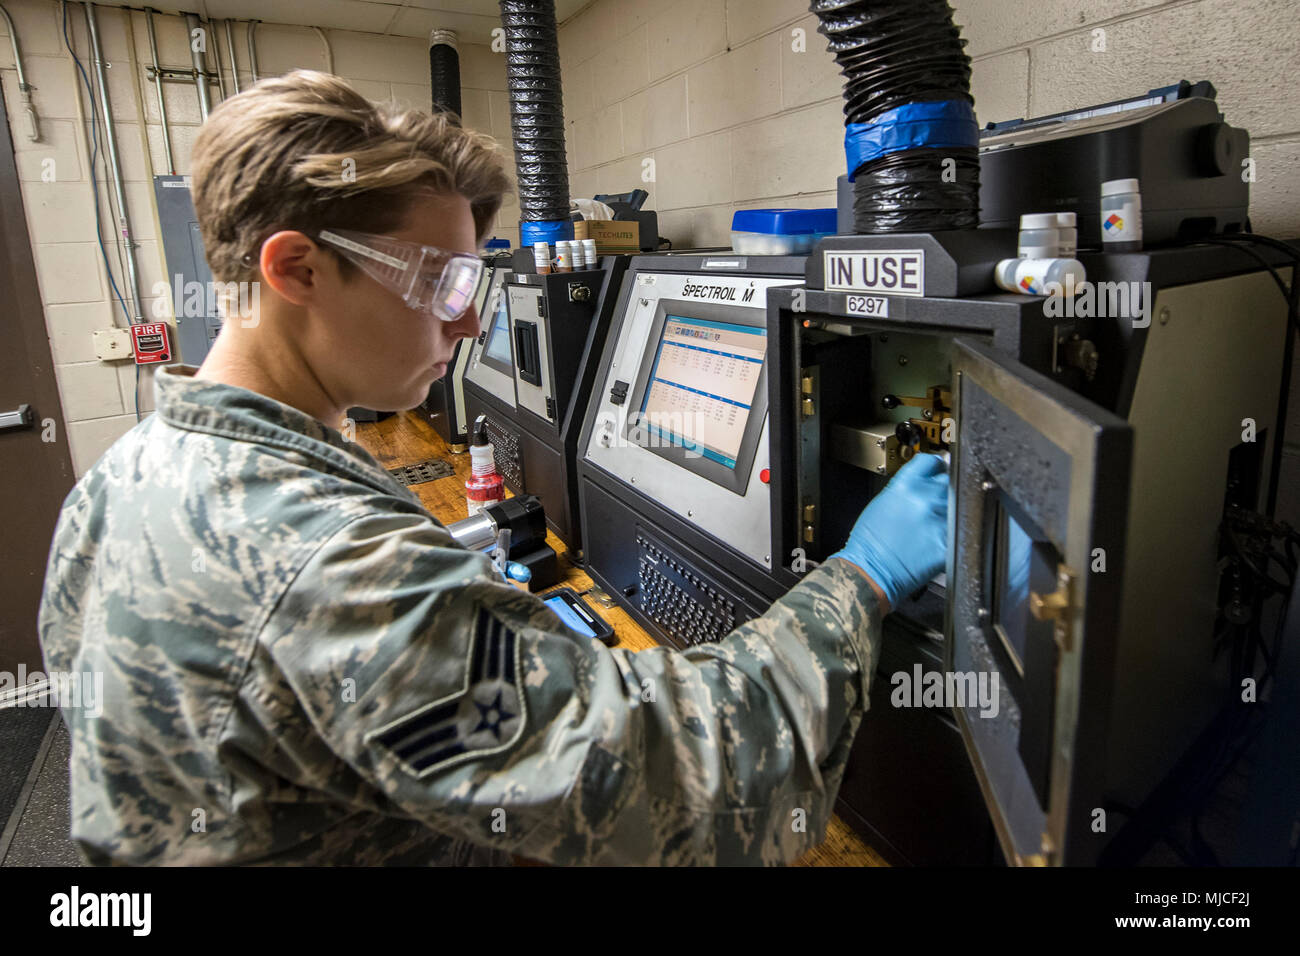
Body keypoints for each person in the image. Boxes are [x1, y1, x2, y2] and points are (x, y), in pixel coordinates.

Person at [37, 70, 949, 866]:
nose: (470, 324)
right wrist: (862, 577)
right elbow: (692, 779)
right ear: (297, 270)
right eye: (442, 281)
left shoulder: (118, 480)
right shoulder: (324, 558)